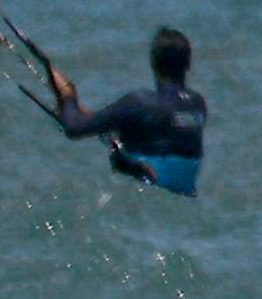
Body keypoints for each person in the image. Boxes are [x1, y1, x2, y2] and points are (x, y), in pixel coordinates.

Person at [43, 26, 208, 196]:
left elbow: (73, 127)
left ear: (153, 63)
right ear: (188, 63)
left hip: (148, 188)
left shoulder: (139, 102)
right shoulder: (198, 104)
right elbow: (165, 129)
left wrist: (68, 94)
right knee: (123, 137)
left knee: (120, 147)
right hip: (184, 194)